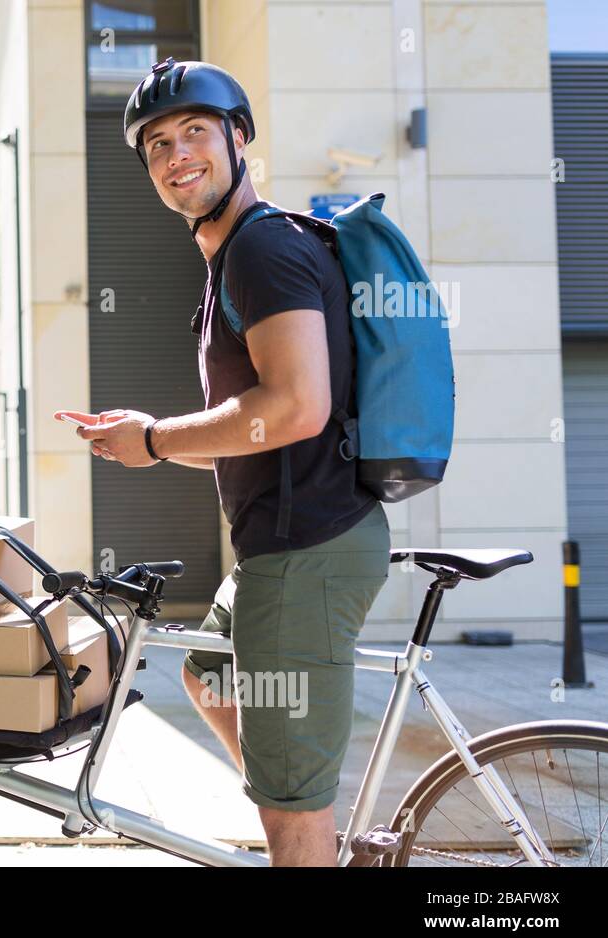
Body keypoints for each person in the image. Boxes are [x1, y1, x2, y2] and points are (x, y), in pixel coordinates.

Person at [73, 58, 390, 866]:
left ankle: (302, 828)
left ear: (238, 137)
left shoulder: (263, 251)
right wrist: (145, 433)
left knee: (293, 811)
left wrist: (153, 440)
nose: (177, 154)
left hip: (306, 552)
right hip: (276, 553)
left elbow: (295, 407)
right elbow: (247, 423)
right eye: (157, 146)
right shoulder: (231, 262)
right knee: (210, 675)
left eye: (195, 132)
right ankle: (300, 812)